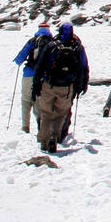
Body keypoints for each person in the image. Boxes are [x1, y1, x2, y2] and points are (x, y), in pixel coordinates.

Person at [31, 22, 89, 153]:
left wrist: (36, 85)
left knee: (46, 113)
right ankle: (54, 137)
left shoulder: (52, 45)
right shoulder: (77, 47)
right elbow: (83, 67)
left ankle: (44, 141)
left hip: (49, 84)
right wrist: (81, 85)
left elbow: (40, 65)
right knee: (60, 114)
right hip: (66, 87)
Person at [12, 21, 52, 134]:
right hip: (44, 77)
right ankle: (41, 125)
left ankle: (25, 127)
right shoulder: (52, 42)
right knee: (39, 101)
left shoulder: (32, 41)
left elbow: (19, 59)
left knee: (25, 100)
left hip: (29, 74)